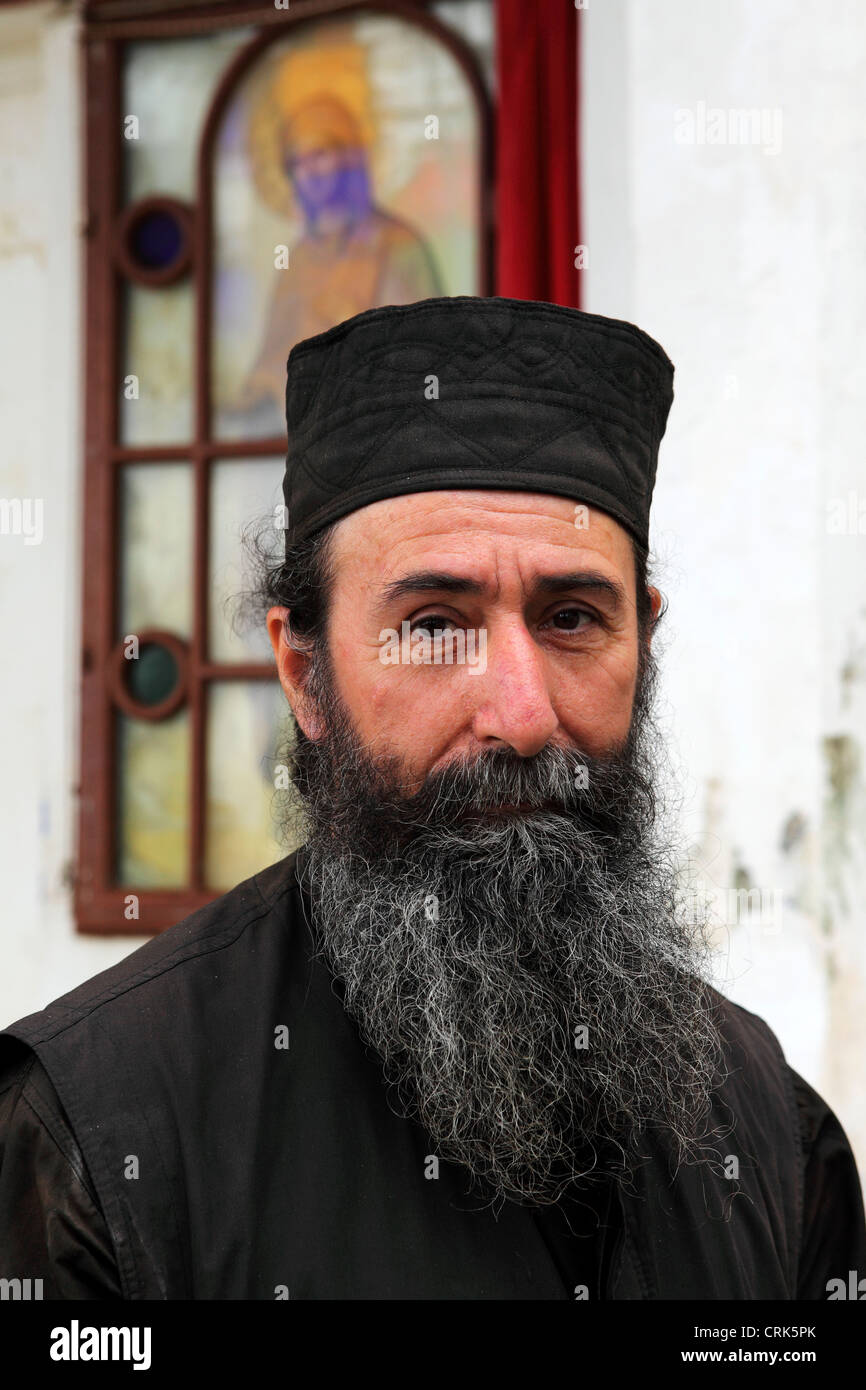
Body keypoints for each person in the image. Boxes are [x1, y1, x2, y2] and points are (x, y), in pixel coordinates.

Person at [1, 296, 864, 1300]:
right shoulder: (95, 1142)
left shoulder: (772, 1136)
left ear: (644, 640)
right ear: (302, 668)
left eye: (572, 616)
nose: (521, 714)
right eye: (432, 624)